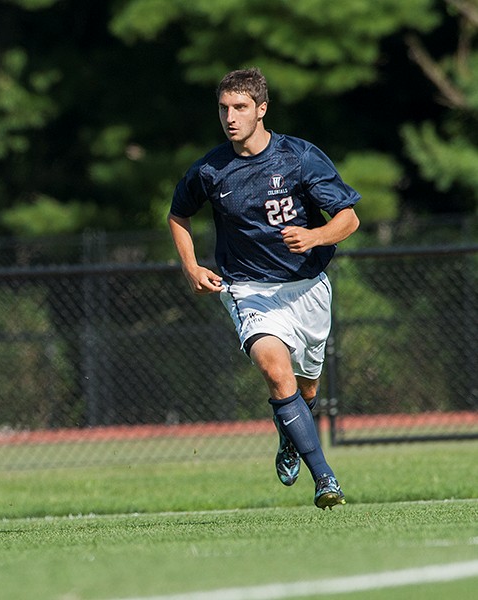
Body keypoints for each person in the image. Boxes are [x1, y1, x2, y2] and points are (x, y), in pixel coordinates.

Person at [168, 67, 360, 509]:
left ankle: (289, 434)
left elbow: (349, 218)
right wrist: (191, 266)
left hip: (308, 289)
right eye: (224, 108)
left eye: (240, 108)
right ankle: (325, 479)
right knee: (276, 372)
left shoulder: (299, 157)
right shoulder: (210, 169)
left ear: (262, 110)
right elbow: (177, 215)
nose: (230, 117)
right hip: (248, 289)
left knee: (307, 389)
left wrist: (315, 236)